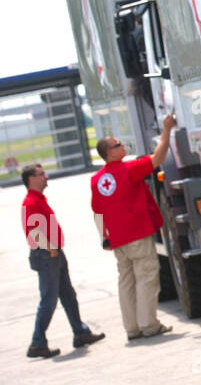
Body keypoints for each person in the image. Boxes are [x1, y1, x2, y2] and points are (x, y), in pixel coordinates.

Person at [91, 114, 177, 341]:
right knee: (147, 277)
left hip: (117, 240)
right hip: (137, 234)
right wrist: (167, 129)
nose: (123, 146)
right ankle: (149, 324)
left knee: (126, 281)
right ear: (110, 153)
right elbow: (158, 157)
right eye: (118, 144)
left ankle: (132, 328)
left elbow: (97, 211)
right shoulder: (129, 169)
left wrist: (104, 238)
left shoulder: (97, 180)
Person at [21, 164, 105, 358]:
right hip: (46, 255)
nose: (46, 177)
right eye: (41, 174)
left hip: (54, 254)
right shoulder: (31, 202)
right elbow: (33, 231)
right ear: (31, 179)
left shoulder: (39, 200)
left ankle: (80, 333)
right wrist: (50, 249)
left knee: (68, 296)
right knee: (48, 301)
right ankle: (37, 343)